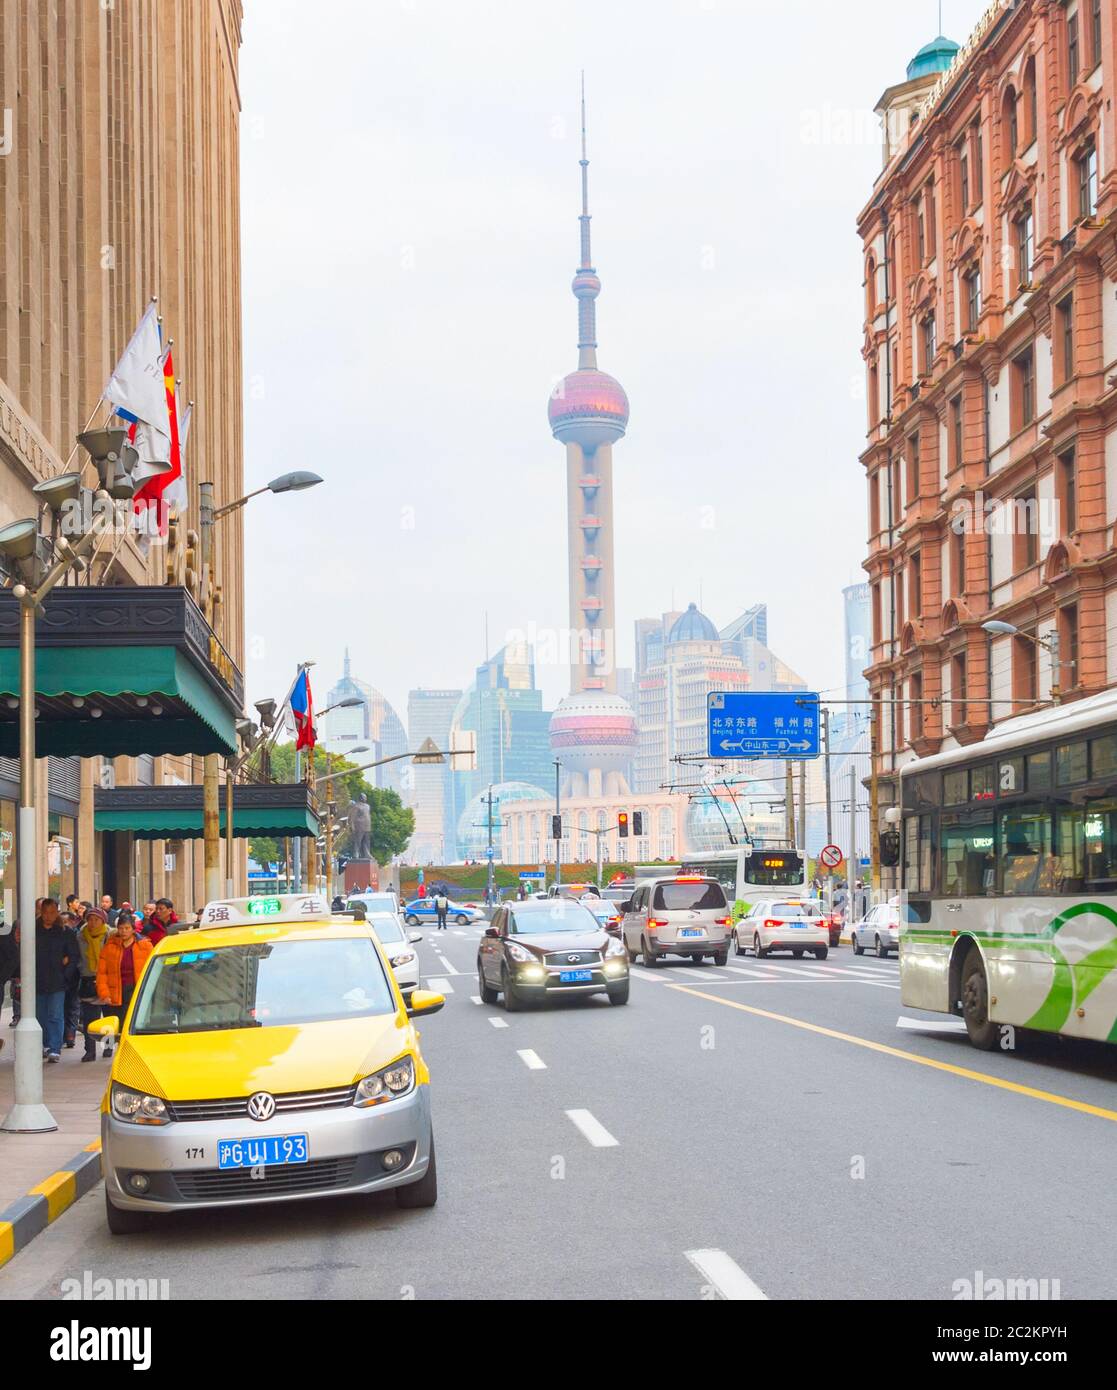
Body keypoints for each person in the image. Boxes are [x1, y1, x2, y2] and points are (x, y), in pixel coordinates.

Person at [96, 911, 153, 1030]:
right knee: (116, 1027)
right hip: (116, 991)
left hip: (136, 990)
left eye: (127, 928)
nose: (124, 931)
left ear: (133, 929)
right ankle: (111, 1048)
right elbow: (102, 973)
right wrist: (104, 993)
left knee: (135, 1026)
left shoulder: (145, 946)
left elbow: (152, 971)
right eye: (121, 928)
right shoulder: (110, 946)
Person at [35, 898, 70, 1062]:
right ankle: (45, 1044)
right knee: (40, 1015)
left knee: (55, 1014)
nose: (48, 916)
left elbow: (73, 956)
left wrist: (66, 971)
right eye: (45, 912)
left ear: (57, 912)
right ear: (41, 912)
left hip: (57, 980)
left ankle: (55, 1048)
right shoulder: (33, 930)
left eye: (52, 912)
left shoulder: (64, 931)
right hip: (37, 980)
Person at [76, 906, 113, 1061]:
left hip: (107, 979)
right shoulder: (80, 936)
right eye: (90, 919)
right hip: (88, 979)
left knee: (108, 1017)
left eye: (96, 920)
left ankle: (108, 1046)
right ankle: (89, 1051)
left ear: (103, 921)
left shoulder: (111, 935)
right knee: (90, 1019)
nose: (92, 923)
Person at [60, 911, 82, 1048]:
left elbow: (75, 958)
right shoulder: (56, 936)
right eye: (61, 922)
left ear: (73, 922)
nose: (63, 925)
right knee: (61, 1008)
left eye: (65, 922)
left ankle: (70, 1035)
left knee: (72, 1007)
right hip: (59, 979)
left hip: (73, 978)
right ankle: (64, 1035)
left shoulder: (76, 936)